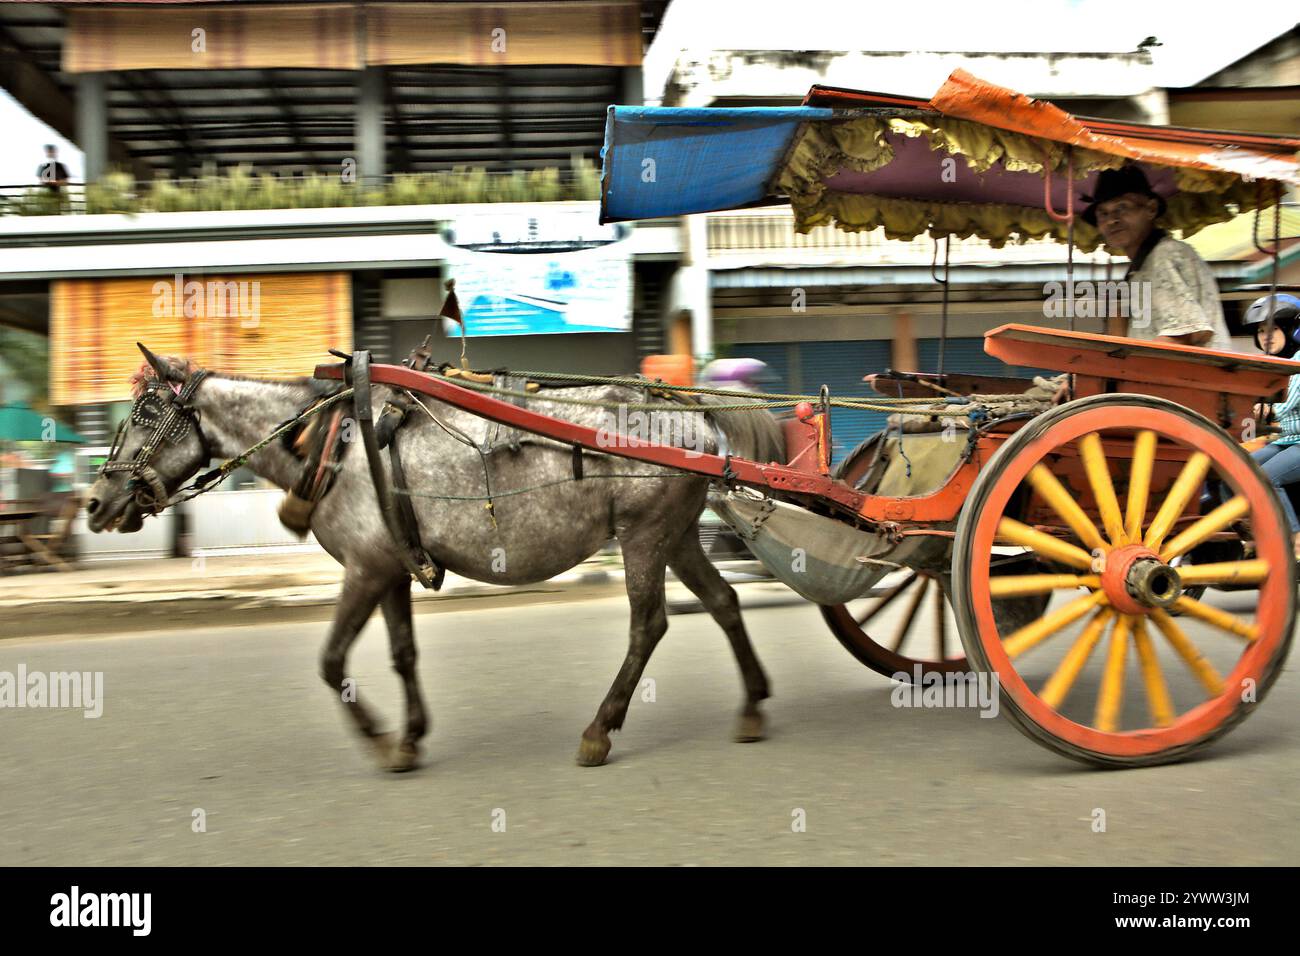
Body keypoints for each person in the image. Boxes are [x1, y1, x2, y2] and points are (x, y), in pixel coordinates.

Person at [1082, 164, 1232, 350]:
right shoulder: (1139, 269)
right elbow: (1120, 343)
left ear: (1151, 209)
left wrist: (1122, 366)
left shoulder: (1164, 255)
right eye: (1103, 213)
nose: (1112, 220)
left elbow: (1182, 336)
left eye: (1122, 207)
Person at [1242, 293, 1300, 557]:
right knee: (1240, 467)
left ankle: (1296, 539)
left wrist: (1265, 410)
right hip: (1286, 440)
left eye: (1274, 328)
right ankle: (1254, 531)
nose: (1266, 335)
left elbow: (1285, 406)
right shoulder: (1274, 365)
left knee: (1267, 478)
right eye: (1261, 330)